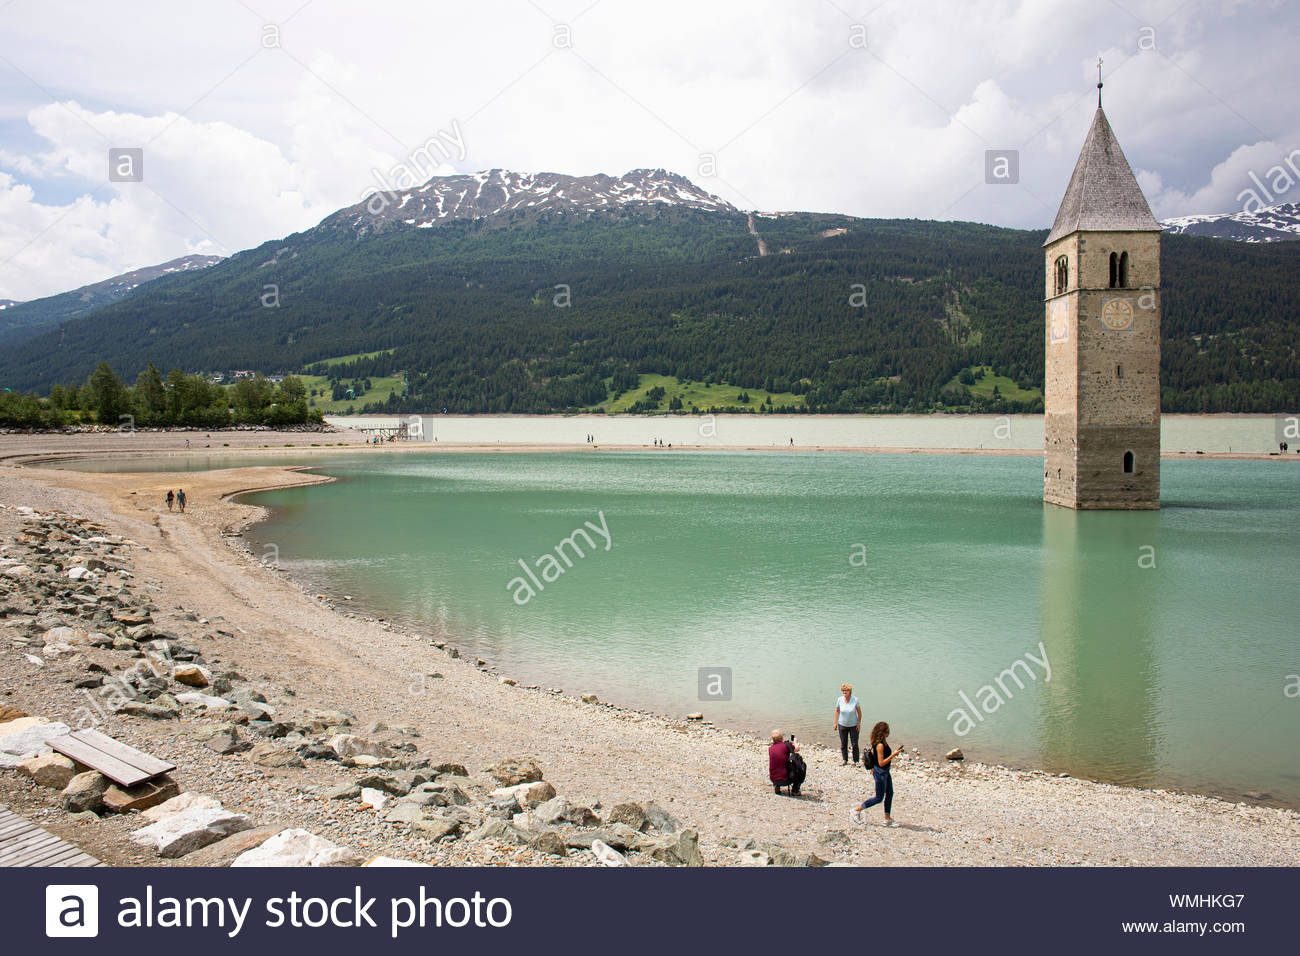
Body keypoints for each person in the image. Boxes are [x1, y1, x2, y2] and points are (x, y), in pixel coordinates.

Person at [851, 721, 901, 826]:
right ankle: (856, 810)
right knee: (879, 798)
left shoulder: (882, 742)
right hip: (881, 772)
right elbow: (881, 763)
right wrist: (894, 755)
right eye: (887, 732)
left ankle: (887, 819)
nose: (888, 734)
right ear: (882, 732)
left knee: (890, 794)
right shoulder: (880, 745)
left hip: (886, 772)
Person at [833, 683, 862, 765]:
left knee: (855, 744)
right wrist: (835, 723)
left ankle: (856, 761)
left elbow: (859, 712)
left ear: (850, 691)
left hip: (853, 725)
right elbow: (837, 711)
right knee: (843, 743)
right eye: (843, 691)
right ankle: (844, 759)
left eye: (846, 691)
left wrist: (859, 723)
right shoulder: (839, 700)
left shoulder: (855, 700)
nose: (844, 692)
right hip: (842, 724)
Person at [768, 729, 801, 796]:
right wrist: (795, 742)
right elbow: (797, 749)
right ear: (782, 738)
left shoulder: (770, 748)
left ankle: (777, 786)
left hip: (773, 779)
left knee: (778, 765)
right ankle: (795, 790)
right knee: (800, 768)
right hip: (785, 780)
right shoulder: (785, 746)